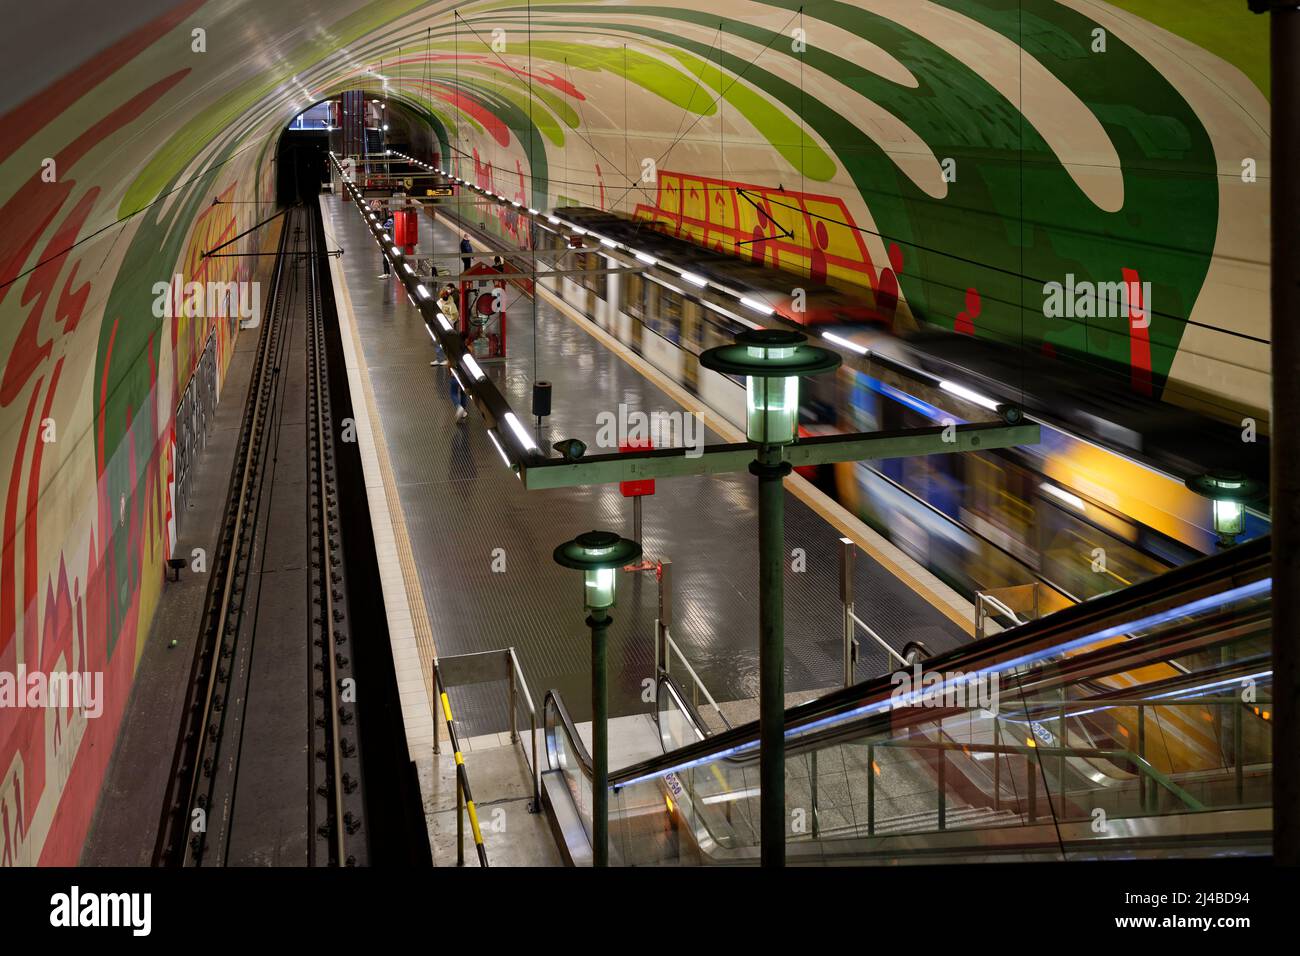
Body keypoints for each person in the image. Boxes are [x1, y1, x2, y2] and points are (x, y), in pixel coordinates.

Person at [378, 209, 394, 278]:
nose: (389, 213)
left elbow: (385, 227)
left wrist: (382, 228)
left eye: (390, 212)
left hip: (387, 242)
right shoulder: (389, 219)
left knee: (385, 259)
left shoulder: (390, 220)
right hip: (387, 241)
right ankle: (388, 273)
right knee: (385, 259)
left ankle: (386, 273)